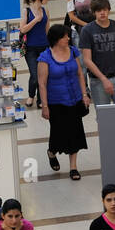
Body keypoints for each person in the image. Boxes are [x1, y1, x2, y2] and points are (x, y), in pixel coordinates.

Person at [38, 22, 91, 181]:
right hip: (56, 102)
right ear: (56, 39)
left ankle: (73, 167)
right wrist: (45, 106)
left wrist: (84, 94)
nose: (68, 38)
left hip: (74, 99)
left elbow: (80, 74)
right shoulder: (45, 58)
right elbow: (42, 83)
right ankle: (51, 152)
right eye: (65, 36)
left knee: (75, 133)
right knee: (58, 134)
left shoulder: (73, 51)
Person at [80, 0, 115, 110]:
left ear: (109, 10)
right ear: (94, 12)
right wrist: (104, 79)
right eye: (99, 10)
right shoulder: (87, 30)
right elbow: (87, 60)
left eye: (104, 9)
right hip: (98, 80)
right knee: (104, 116)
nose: (102, 13)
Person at [19, 0, 49, 107]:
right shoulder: (26, 11)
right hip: (30, 48)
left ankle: (40, 99)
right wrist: (36, 20)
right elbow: (23, 29)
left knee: (43, 75)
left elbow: (47, 29)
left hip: (44, 47)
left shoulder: (45, 10)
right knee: (35, 75)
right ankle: (31, 95)